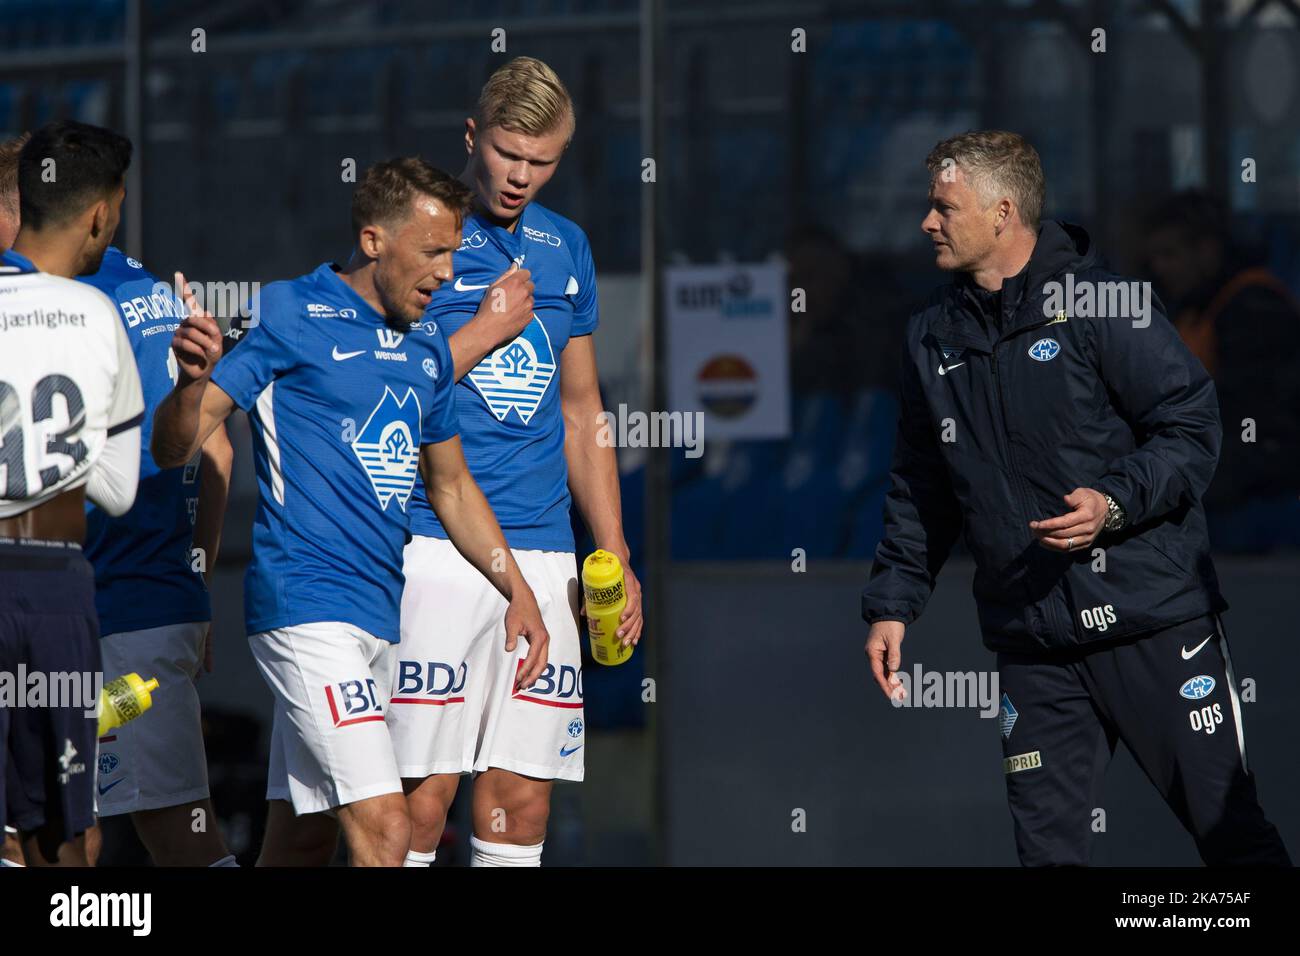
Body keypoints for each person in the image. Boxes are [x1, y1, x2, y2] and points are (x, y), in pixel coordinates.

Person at [861, 130, 1291, 866]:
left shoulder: (1100, 302)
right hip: (1034, 642)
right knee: (1048, 858)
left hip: (1151, 619)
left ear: (1002, 212)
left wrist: (1113, 504)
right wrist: (895, 602)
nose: (926, 222)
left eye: (943, 205)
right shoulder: (930, 337)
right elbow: (921, 484)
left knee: (1232, 837)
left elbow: (1192, 425)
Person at [151, 157, 549, 867]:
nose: (450, 272)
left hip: (377, 621)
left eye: (455, 252)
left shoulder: (428, 347)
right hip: (304, 609)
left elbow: (451, 487)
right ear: (374, 241)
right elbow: (178, 444)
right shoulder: (289, 312)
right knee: (387, 830)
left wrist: (515, 587)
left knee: (301, 836)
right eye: (434, 251)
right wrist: (190, 384)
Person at [390, 56, 643, 868]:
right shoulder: (417, 237)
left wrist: (616, 552)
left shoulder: (566, 247)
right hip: (435, 540)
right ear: (472, 136)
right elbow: (379, 387)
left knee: (520, 798)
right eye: (507, 154)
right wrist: (482, 329)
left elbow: (581, 411)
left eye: (543, 162)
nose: (521, 176)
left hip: (543, 547)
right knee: (418, 801)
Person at [0, 120, 144, 866]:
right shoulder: (96, 314)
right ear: (102, 214)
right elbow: (118, 491)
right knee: (63, 830)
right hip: (55, 583)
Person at [79, 243, 237, 867]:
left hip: (117, 618)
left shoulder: (59, 303)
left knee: (177, 831)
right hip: (140, 608)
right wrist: (194, 581)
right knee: (67, 822)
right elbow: (218, 451)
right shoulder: (155, 293)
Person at [1142, 191, 1300, 551]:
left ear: (1207, 250)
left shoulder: (1254, 308)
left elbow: (1253, 418)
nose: (1160, 267)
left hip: (1257, 501)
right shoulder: (1193, 308)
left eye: (1170, 255)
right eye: (1154, 257)